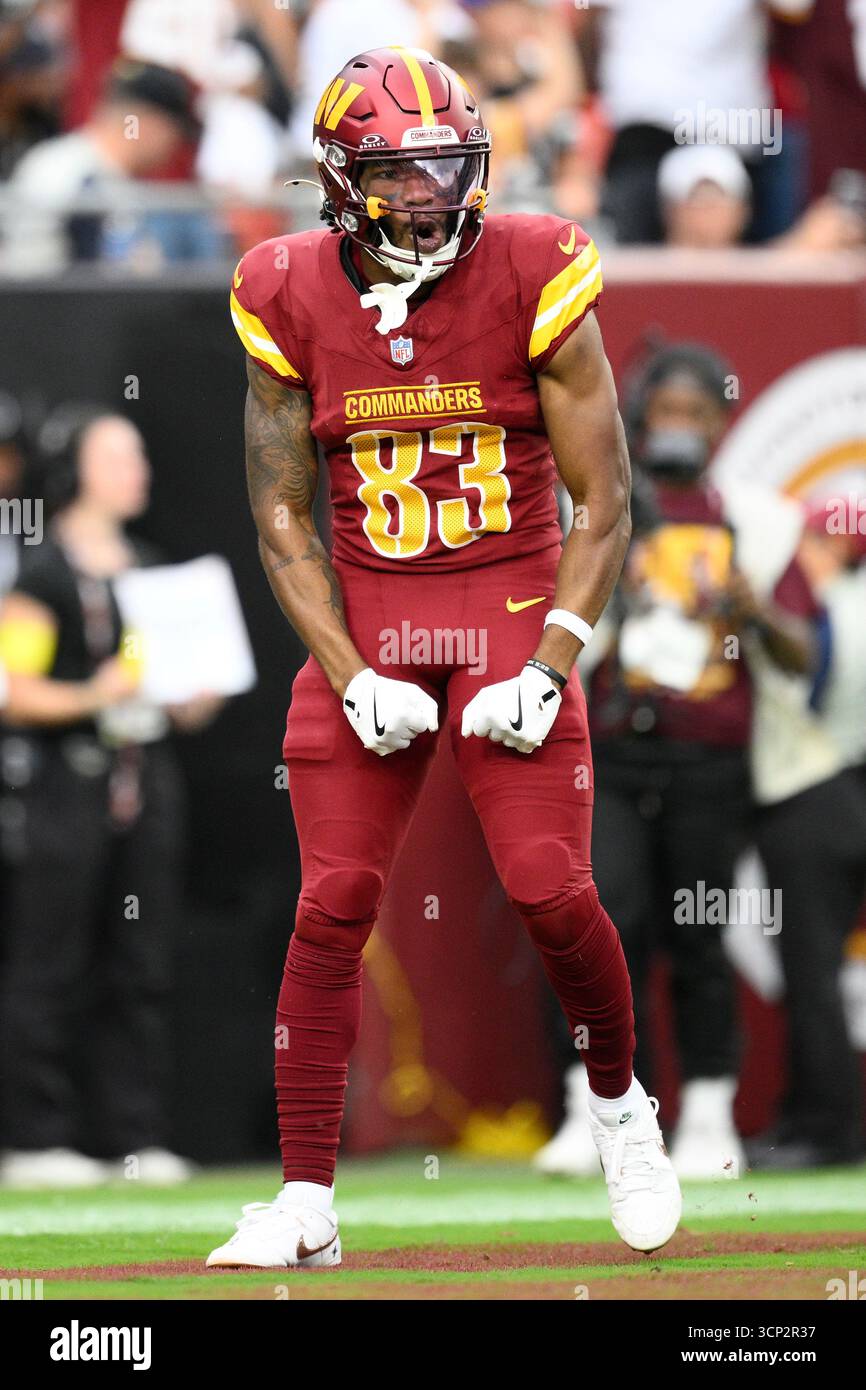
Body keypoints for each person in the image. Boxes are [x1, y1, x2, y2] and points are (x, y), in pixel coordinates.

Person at [207, 44, 682, 1271]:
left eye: (444, 169)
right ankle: (305, 1200)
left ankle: (620, 1108)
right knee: (332, 902)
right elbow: (280, 515)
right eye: (399, 174)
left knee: (545, 886)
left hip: (510, 597)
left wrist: (550, 661)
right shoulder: (282, 286)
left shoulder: (532, 261)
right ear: (337, 180)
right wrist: (351, 669)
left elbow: (607, 499)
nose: (428, 196)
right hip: (367, 608)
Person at [534, 344, 820, 1180]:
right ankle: (597, 1108)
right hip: (616, 756)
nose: (680, 430)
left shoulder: (758, 521)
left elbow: (805, 653)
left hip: (710, 762)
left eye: (697, 415)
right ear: (637, 418)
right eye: (666, 414)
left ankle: (704, 1113)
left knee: (698, 934)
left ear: (723, 423)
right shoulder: (603, 504)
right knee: (603, 927)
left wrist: (751, 611)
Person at [0, 407, 218, 1187]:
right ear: (79, 472)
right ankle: (37, 1135)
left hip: (146, 781)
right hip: (67, 783)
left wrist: (193, 692)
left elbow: (180, 690)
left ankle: (134, 1133)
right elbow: (14, 692)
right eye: (119, 457)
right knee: (49, 958)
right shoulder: (43, 573)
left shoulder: (155, 571)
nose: (139, 471)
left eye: (139, 456)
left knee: (141, 963)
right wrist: (98, 694)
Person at [746, 504, 866, 1167]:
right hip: (840, 793)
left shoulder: (834, 610)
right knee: (812, 971)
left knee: (812, 971)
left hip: (819, 794)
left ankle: (827, 1129)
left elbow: (813, 694)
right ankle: (808, 1121)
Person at [2, 57, 202, 274]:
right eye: (174, 133)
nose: (174, 146)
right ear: (145, 123)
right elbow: (29, 279)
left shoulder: (115, 178)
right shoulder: (64, 171)